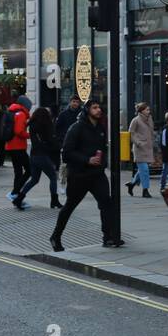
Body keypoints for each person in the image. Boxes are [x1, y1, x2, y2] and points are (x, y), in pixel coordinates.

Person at [50, 100, 121, 251]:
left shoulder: (100, 128)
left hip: (97, 175)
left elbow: (102, 149)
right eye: (94, 107)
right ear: (87, 110)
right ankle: (56, 236)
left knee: (106, 203)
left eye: (99, 107)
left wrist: (101, 163)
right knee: (69, 206)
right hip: (79, 175)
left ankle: (107, 237)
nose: (98, 110)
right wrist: (87, 160)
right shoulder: (76, 128)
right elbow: (67, 153)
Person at [16, 104, 62, 209]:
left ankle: (19, 198)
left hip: (33, 156)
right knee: (53, 177)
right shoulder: (45, 126)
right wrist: (57, 146)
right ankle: (54, 200)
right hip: (42, 156)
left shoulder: (32, 126)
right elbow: (51, 142)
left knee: (34, 179)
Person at [4, 95, 32, 201]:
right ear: (26, 106)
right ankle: (14, 192)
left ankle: (15, 194)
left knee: (18, 171)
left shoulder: (13, 112)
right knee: (29, 170)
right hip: (18, 146)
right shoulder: (21, 114)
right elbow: (19, 131)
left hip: (10, 146)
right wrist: (29, 135)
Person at [126, 102, 155, 198]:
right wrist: (138, 143)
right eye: (147, 109)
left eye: (149, 109)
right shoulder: (135, 120)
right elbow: (131, 133)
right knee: (145, 170)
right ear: (141, 110)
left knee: (142, 170)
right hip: (139, 148)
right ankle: (145, 190)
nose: (149, 111)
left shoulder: (150, 119)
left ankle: (132, 184)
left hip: (148, 148)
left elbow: (151, 132)